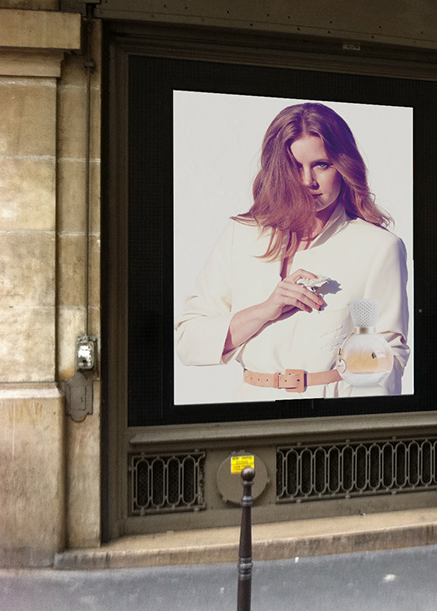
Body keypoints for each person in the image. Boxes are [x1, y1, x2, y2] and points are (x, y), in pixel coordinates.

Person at [175, 102, 409, 400]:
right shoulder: (242, 235)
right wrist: (265, 310)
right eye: (295, 167)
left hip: (329, 422)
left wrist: (350, 435)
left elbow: (383, 358)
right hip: (249, 415)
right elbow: (188, 341)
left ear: (343, 166)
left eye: (321, 164)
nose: (307, 181)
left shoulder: (378, 248)